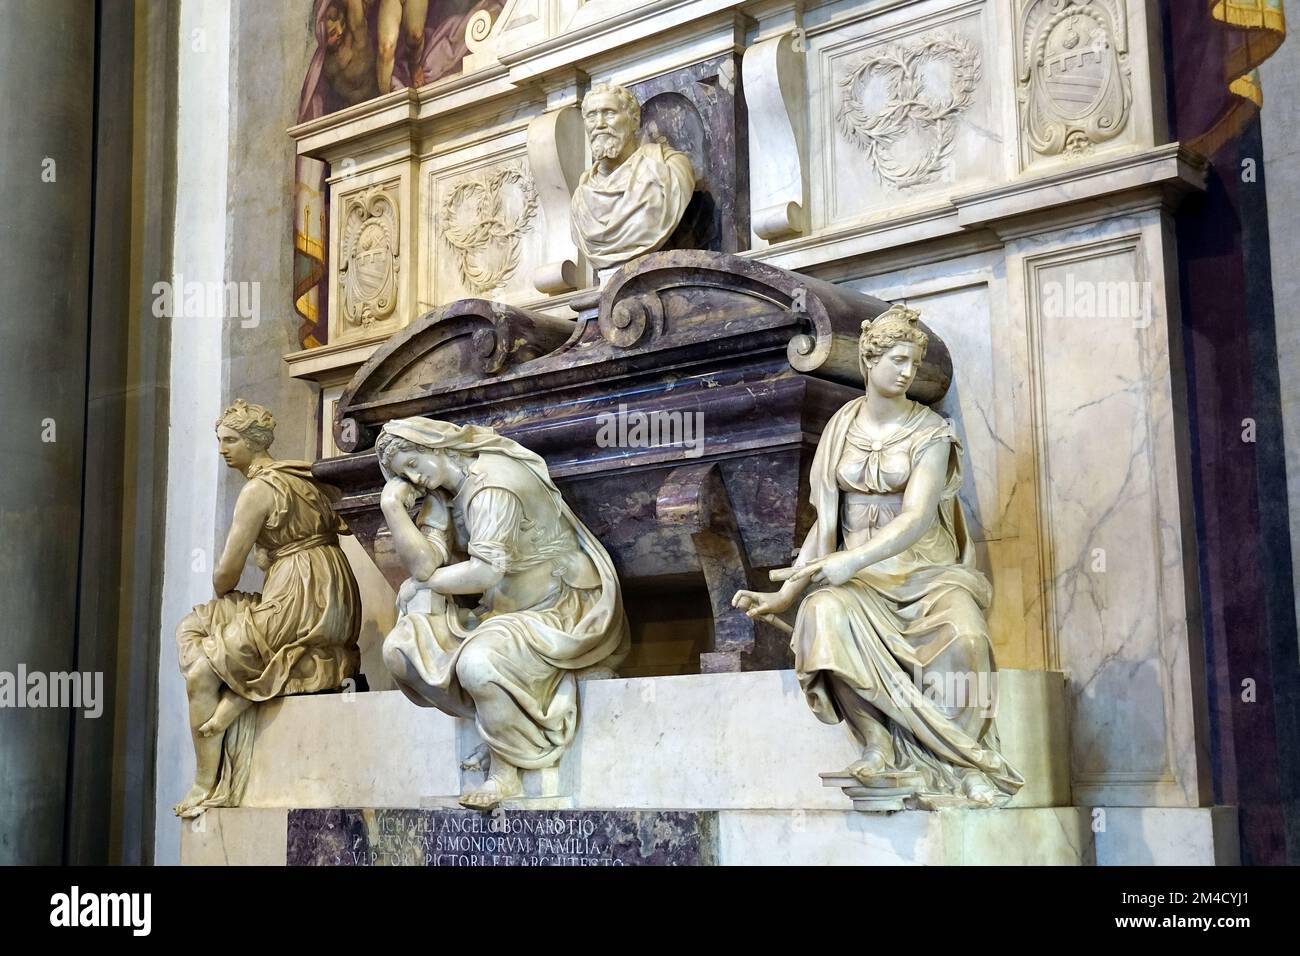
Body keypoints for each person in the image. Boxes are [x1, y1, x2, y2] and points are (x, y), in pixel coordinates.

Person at [733, 306, 1024, 809]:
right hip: (861, 580)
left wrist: (852, 561)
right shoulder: (839, 428)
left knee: (968, 639)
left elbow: (914, 518)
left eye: (913, 362)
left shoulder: (930, 431)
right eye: (897, 360)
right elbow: (827, 525)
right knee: (822, 614)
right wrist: (785, 595)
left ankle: (967, 760)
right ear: (869, 361)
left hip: (928, 576)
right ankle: (877, 745)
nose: (907, 371)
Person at [377, 418, 629, 811]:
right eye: (404, 473)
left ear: (435, 444)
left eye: (413, 464)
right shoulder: (444, 493)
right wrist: (391, 506)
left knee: (478, 663)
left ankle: (505, 771)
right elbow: (423, 566)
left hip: (559, 609)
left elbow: (485, 571)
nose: (415, 478)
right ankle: (500, 727)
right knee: (400, 652)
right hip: (499, 613)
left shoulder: (492, 484)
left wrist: (427, 585)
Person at [174, 400, 361, 818]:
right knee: (229, 638)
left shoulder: (259, 489)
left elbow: (225, 572)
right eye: (220, 440)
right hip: (335, 589)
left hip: (298, 595)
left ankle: (205, 782)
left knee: (204, 665)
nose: (223, 449)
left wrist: (231, 584)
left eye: (230, 440)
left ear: (253, 442)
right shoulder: (300, 477)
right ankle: (242, 696)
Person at [570, 83, 696, 269]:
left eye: (609, 113)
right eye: (591, 116)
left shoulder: (668, 168)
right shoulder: (580, 199)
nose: (600, 124)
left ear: (635, 120)